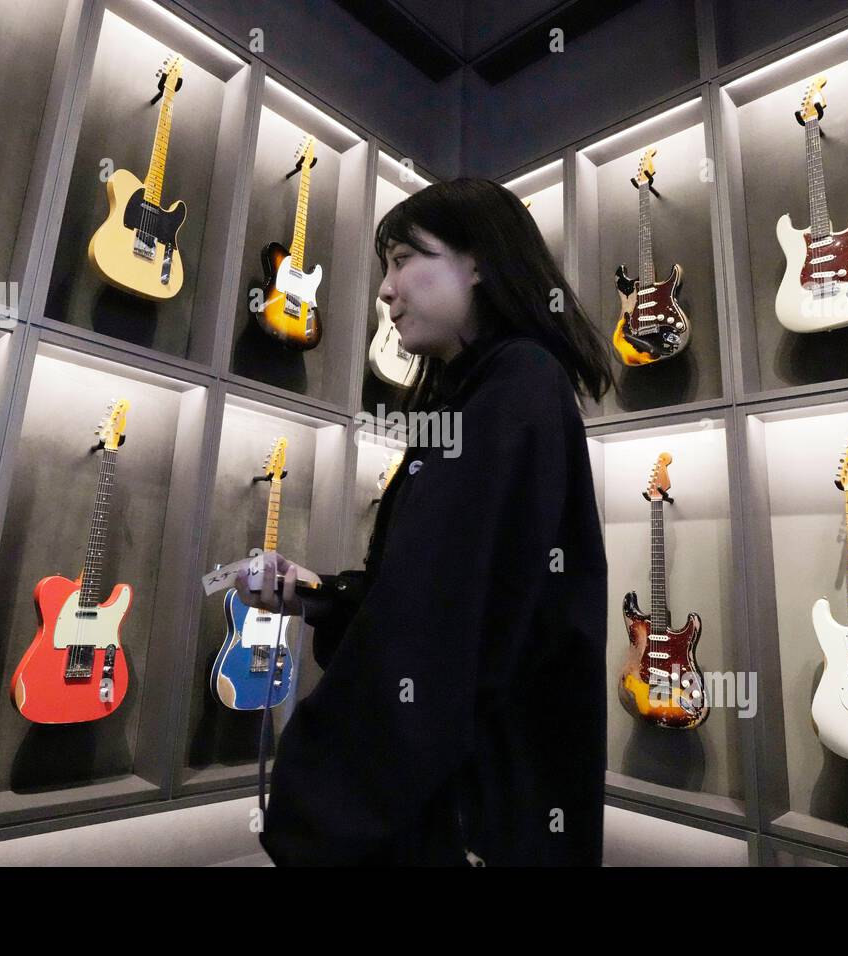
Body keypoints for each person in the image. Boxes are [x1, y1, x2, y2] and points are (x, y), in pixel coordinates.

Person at [234, 178, 613, 865]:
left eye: (405, 258)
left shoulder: (516, 383)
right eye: (386, 265)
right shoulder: (480, 392)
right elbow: (434, 588)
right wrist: (317, 593)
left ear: (480, 262)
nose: (386, 289)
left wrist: (321, 795)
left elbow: (438, 623)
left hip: (475, 812)